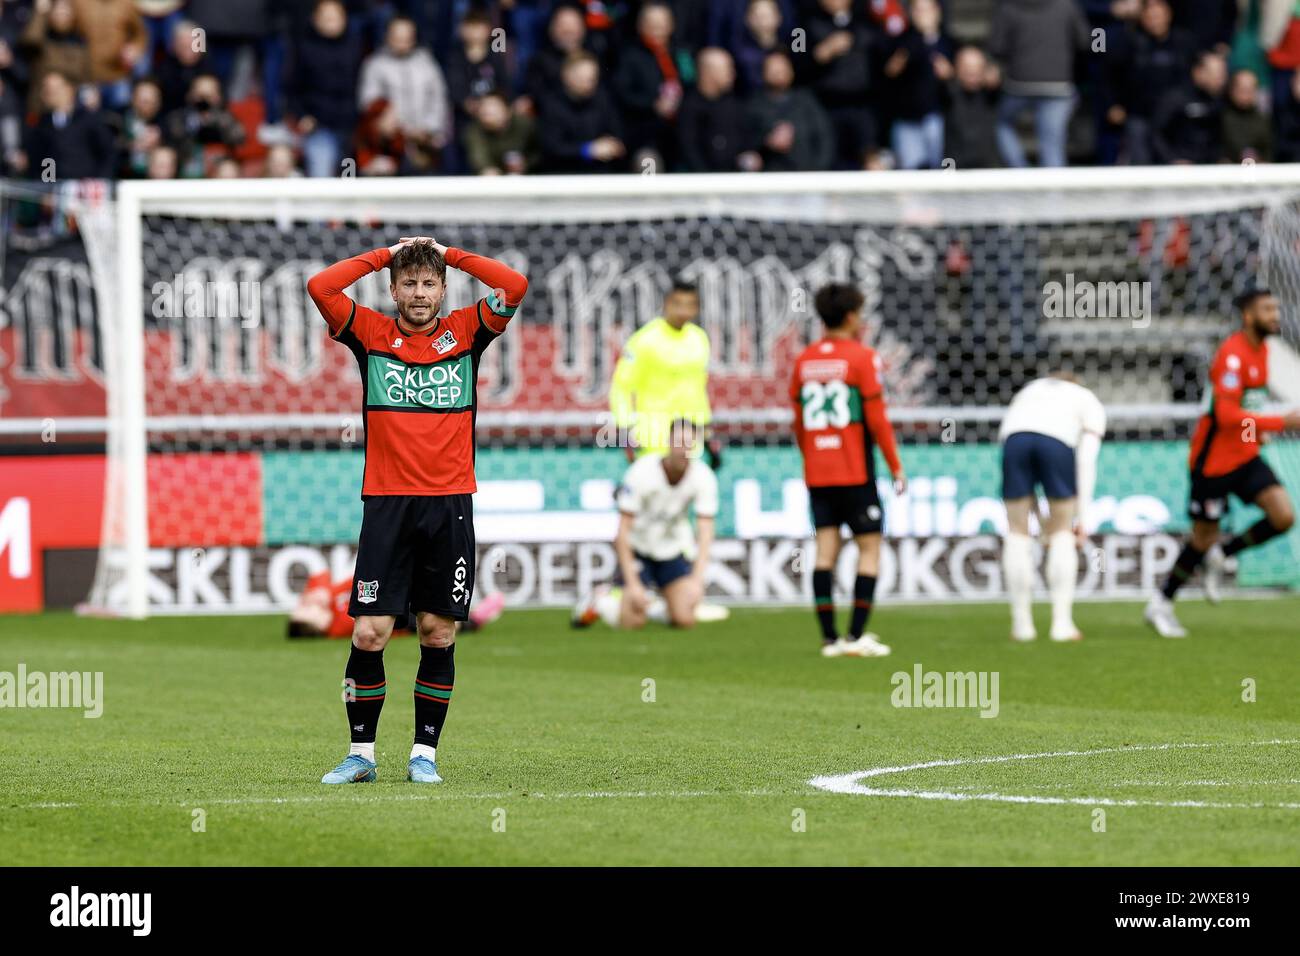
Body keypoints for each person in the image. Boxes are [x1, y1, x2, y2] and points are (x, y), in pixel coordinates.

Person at [306, 236, 528, 784]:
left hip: (450, 505)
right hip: (387, 504)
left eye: (430, 283)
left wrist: (448, 252)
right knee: (369, 633)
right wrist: (387, 252)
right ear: (393, 290)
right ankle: (361, 754)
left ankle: (424, 755)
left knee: (437, 632)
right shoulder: (371, 335)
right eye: (409, 283)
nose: (420, 293)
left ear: (444, 288)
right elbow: (320, 286)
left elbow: (514, 285)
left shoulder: (467, 331)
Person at [1146, 289, 1300, 638]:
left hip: (1244, 456)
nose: (1276, 315)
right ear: (1248, 316)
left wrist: (1256, 435)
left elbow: (1248, 410)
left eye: (1276, 308)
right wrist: (1281, 423)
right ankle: (1161, 602)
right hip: (1213, 465)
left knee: (1283, 516)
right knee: (1201, 539)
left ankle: (1224, 553)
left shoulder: (1263, 352)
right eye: (1267, 309)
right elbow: (1227, 415)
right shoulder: (1231, 355)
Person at [791, 283, 905, 658]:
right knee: (869, 548)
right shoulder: (861, 358)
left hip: (818, 473)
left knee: (825, 550)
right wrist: (895, 466)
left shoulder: (804, 360)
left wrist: (812, 456)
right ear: (853, 316)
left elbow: (798, 424)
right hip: (855, 472)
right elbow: (877, 419)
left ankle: (828, 640)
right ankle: (855, 637)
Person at [571, 420, 718, 630]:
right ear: (668, 442)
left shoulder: (703, 477)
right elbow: (622, 532)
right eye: (679, 442)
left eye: (690, 443)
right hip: (639, 550)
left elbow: (705, 533)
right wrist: (633, 583)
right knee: (633, 622)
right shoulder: (642, 472)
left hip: (671, 552)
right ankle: (603, 600)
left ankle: (656, 606)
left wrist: (697, 581)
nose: (684, 449)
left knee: (685, 619)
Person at [999, 373, 1106, 642]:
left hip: (1015, 441)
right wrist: (1081, 517)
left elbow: (1008, 438)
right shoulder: (1086, 398)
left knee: (1017, 530)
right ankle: (1062, 625)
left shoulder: (1028, 389)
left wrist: (1038, 517)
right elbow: (1086, 459)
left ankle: (1022, 626)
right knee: (1061, 531)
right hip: (1056, 443)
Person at [609, 279, 714, 463]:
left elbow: (699, 389)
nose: (683, 311)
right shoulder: (645, 340)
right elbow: (621, 387)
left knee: (691, 490)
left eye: (690, 305)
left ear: (697, 309)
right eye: (678, 304)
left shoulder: (699, 339)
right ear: (666, 304)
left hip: (689, 441)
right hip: (652, 439)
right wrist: (625, 430)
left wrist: (707, 433)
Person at [287, 570, 505, 639]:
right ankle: (473, 620)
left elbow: (321, 577)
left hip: (390, 588)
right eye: (307, 611)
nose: (307, 605)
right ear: (317, 626)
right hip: (396, 615)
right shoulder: (339, 625)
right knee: (429, 619)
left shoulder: (323, 599)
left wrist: (321, 591)